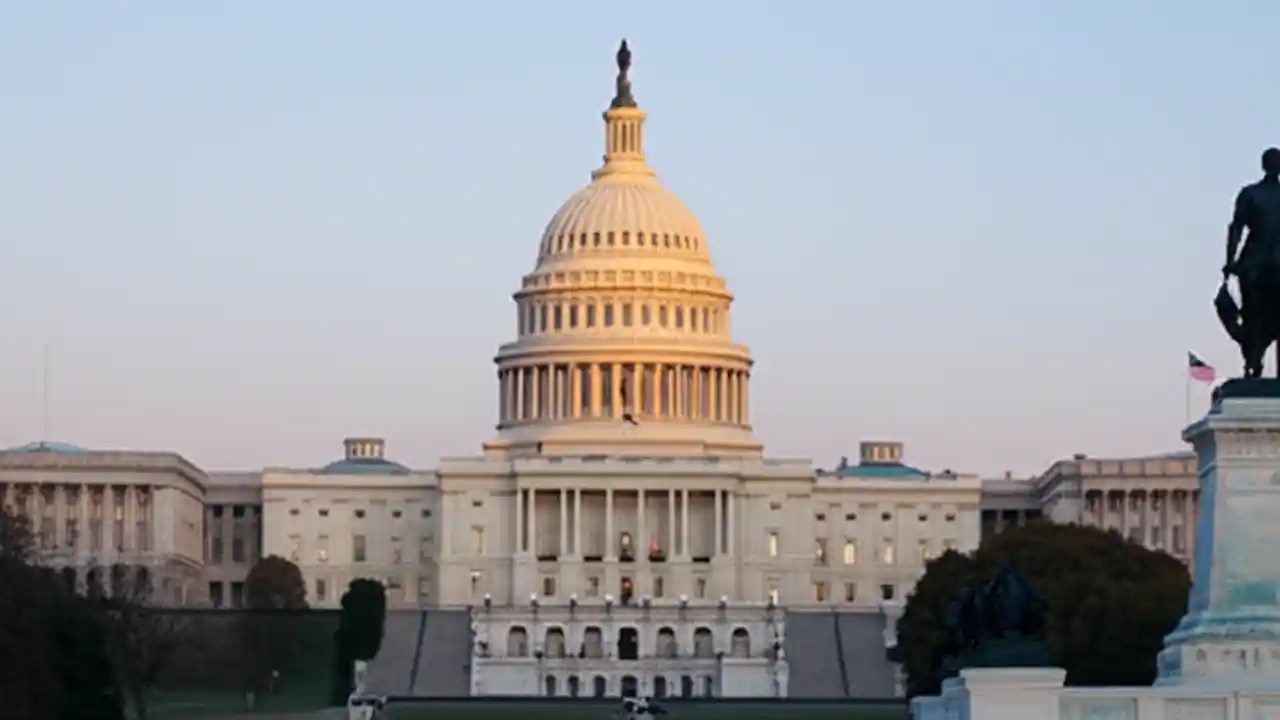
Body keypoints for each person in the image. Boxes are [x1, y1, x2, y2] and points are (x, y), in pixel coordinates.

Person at [1223, 148, 1280, 377]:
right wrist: (1230, 260)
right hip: (1257, 263)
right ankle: (1253, 362)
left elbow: (1236, 228)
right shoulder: (1250, 193)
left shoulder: (1250, 193)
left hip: (1258, 262)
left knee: (1255, 315)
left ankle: (1254, 362)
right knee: (1254, 315)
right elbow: (1236, 227)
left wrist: (1230, 261)